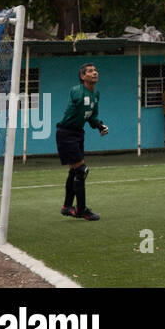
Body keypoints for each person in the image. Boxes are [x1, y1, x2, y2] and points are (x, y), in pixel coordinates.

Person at [56, 63, 109, 220]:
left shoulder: (96, 94)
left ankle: (66, 207)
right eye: (90, 71)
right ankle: (81, 209)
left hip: (78, 133)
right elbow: (77, 98)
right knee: (81, 170)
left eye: (95, 70)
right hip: (66, 133)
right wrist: (82, 101)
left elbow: (92, 116)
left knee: (75, 171)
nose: (95, 73)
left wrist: (99, 125)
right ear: (82, 76)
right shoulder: (77, 90)